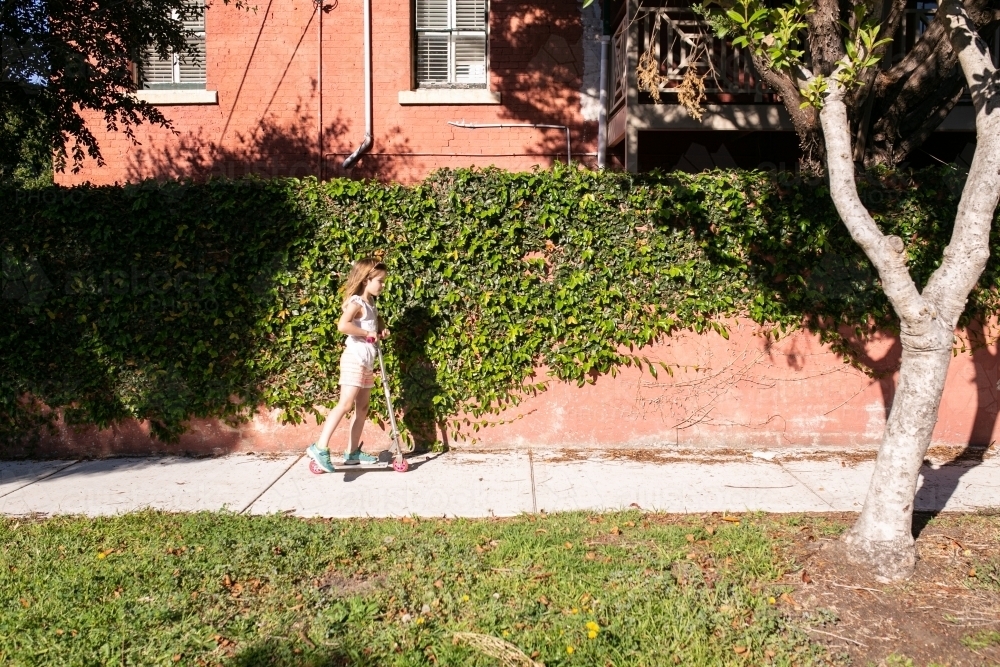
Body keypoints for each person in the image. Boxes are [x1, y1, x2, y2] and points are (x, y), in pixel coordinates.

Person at [306, 258, 390, 471]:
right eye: (379, 281)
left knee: (362, 408)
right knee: (344, 404)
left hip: (367, 360)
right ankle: (319, 447)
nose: (383, 285)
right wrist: (366, 333)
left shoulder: (370, 303)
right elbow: (343, 326)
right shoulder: (356, 302)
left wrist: (381, 330)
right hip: (354, 358)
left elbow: (374, 322)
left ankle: (352, 453)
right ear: (365, 280)